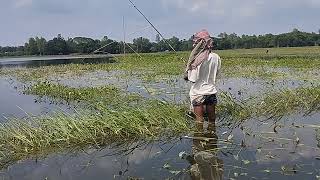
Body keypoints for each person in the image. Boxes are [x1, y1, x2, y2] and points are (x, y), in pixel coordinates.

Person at [185, 30, 221, 124]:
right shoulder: (216, 57)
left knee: (199, 121)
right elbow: (216, 73)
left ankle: (199, 137)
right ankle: (212, 136)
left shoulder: (197, 59)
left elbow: (193, 79)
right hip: (211, 92)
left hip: (198, 93)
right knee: (212, 120)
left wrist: (187, 73)